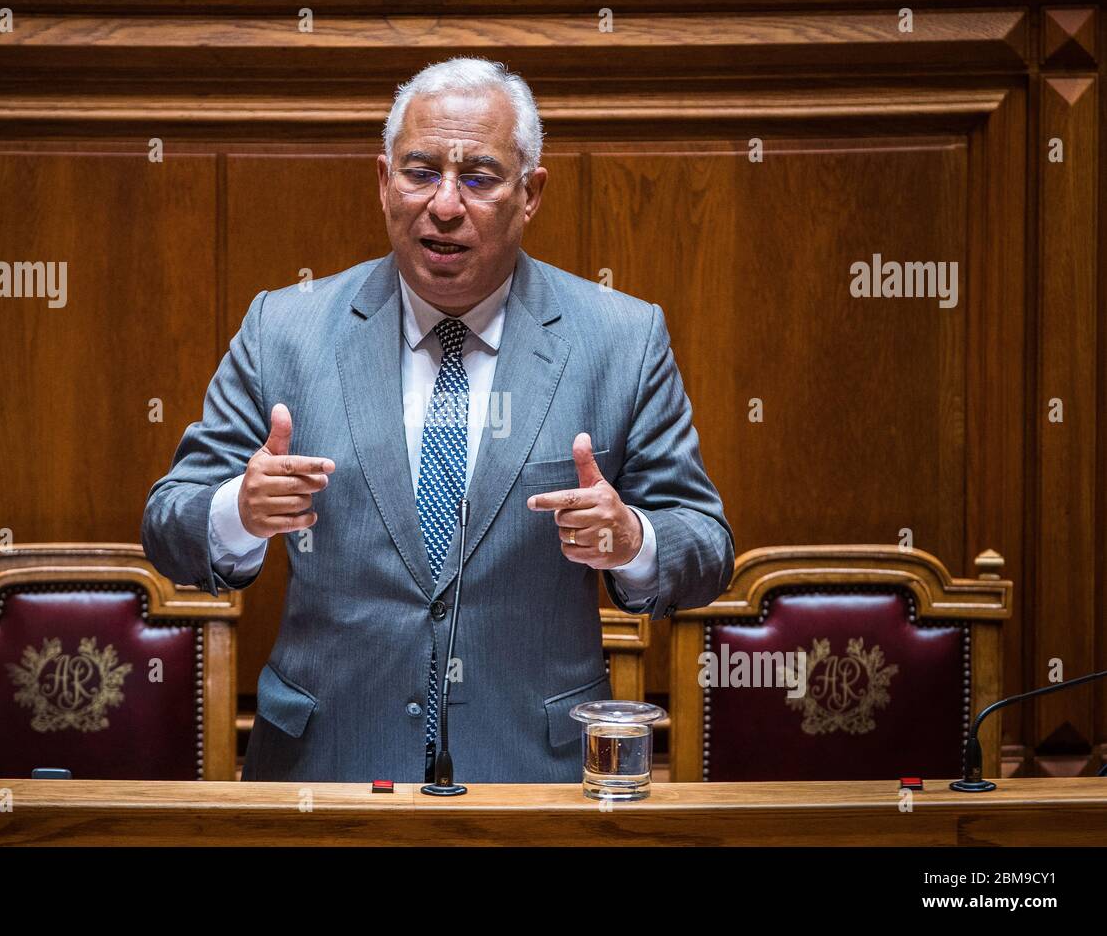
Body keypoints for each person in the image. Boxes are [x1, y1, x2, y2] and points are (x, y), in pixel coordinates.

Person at [142, 56, 733, 783]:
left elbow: (705, 543)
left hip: (530, 777)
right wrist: (240, 509)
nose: (445, 205)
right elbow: (168, 521)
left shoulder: (621, 339)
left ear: (532, 193)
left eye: (480, 177)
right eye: (420, 171)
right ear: (383, 180)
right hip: (327, 770)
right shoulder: (284, 330)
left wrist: (634, 538)